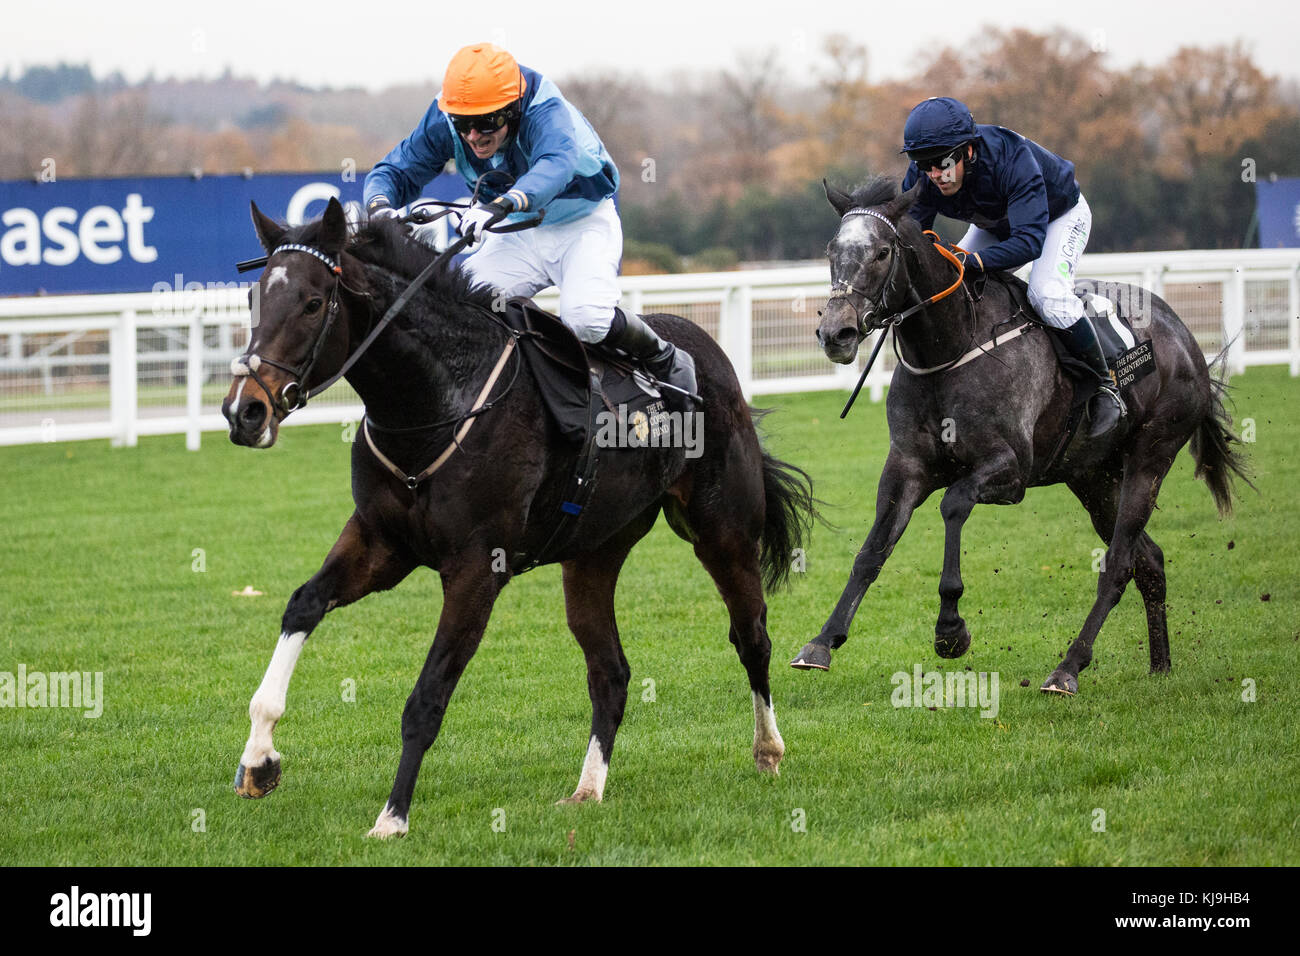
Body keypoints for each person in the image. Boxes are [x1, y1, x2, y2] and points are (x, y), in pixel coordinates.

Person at [363, 42, 696, 404]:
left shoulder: (545, 110)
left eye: (486, 122)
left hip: (583, 225)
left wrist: (501, 205)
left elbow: (556, 163)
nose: (473, 135)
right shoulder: (448, 114)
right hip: (518, 233)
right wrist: (381, 210)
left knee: (585, 318)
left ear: (513, 108)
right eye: (464, 124)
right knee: (465, 312)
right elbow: (394, 170)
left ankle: (665, 357)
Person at [899, 96, 1123, 437]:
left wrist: (972, 260)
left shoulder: (1013, 160)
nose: (935, 175)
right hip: (996, 223)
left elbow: (1030, 242)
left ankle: (1107, 385)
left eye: (941, 163)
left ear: (968, 151)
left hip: (1058, 217)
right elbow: (914, 233)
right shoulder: (926, 171)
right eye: (924, 163)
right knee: (951, 283)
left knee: (1046, 293)